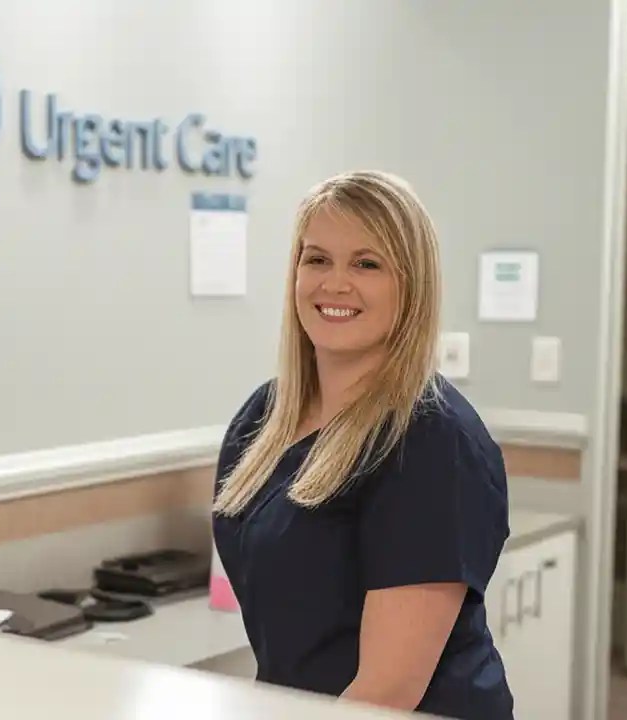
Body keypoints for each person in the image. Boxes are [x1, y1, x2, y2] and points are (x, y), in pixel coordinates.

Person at [211, 170, 514, 718]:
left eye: (367, 264)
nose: (334, 284)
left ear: (411, 284)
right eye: (317, 259)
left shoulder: (431, 442)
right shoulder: (263, 418)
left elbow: (386, 693)